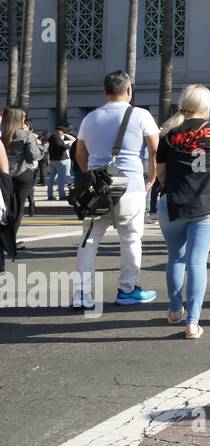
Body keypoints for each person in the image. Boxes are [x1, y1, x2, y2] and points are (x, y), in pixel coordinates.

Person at [72, 71, 161, 309]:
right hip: (130, 186)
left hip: (97, 188)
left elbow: (80, 153)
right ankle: (127, 289)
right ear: (129, 90)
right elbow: (155, 149)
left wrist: (90, 173)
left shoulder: (90, 118)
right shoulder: (141, 115)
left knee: (89, 239)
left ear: (105, 91)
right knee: (131, 240)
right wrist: (150, 179)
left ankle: (81, 293)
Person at [156, 84, 210, 339]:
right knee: (197, 261)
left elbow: (160, 173)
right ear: (207, 105)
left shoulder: (168, 133)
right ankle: (192, 322)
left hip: (173, 203)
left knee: (175, 257)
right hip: (206, 203)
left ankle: (173, 308)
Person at [3, 107, 45, 235]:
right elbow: (34, 156)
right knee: (18, 208)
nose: (24, 121)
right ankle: (11, 240)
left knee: (4, 207)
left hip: (4, 174)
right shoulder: (26, 134)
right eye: (23, 118)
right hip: (22, 173)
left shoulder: (2, 134)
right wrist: (40, 145)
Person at [45, 126, 74, 201]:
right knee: (61, 179)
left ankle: (50, 195)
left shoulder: (51, 138)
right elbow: (60, 147)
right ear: (60, 131)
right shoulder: (57, 138)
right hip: (60, 161)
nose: (63, 134)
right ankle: (62, 195)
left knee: (51, 179)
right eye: (63, 132)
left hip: (53, 161)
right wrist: (67, 147)